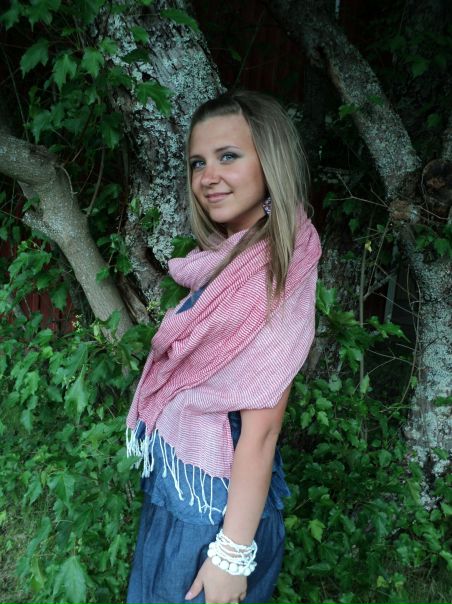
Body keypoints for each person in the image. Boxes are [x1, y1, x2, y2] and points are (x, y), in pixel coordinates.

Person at [126, 90, 321, 604]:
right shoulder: (233, 258)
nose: (208, 176)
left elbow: (262, 430)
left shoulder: (273, 269)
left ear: (271, 163)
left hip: (215, 508)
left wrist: (231, 555)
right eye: (198, 163)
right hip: (188, 486)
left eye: (228, 156)